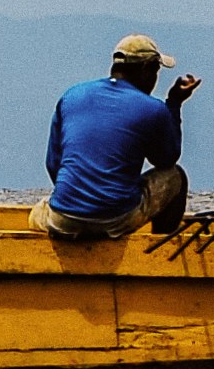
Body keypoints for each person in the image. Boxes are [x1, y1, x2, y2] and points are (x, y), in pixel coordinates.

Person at [46, 33, 196, 240]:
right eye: (156, 70)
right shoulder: (153, 109)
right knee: (175, 176)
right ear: (146, 69)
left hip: (63, 219)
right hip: (116, 219)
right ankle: (161, 250)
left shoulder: (72, 95)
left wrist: (80, 201)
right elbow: (166, 160)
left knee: (39, 211)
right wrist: (174, 103)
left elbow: (54, 164)